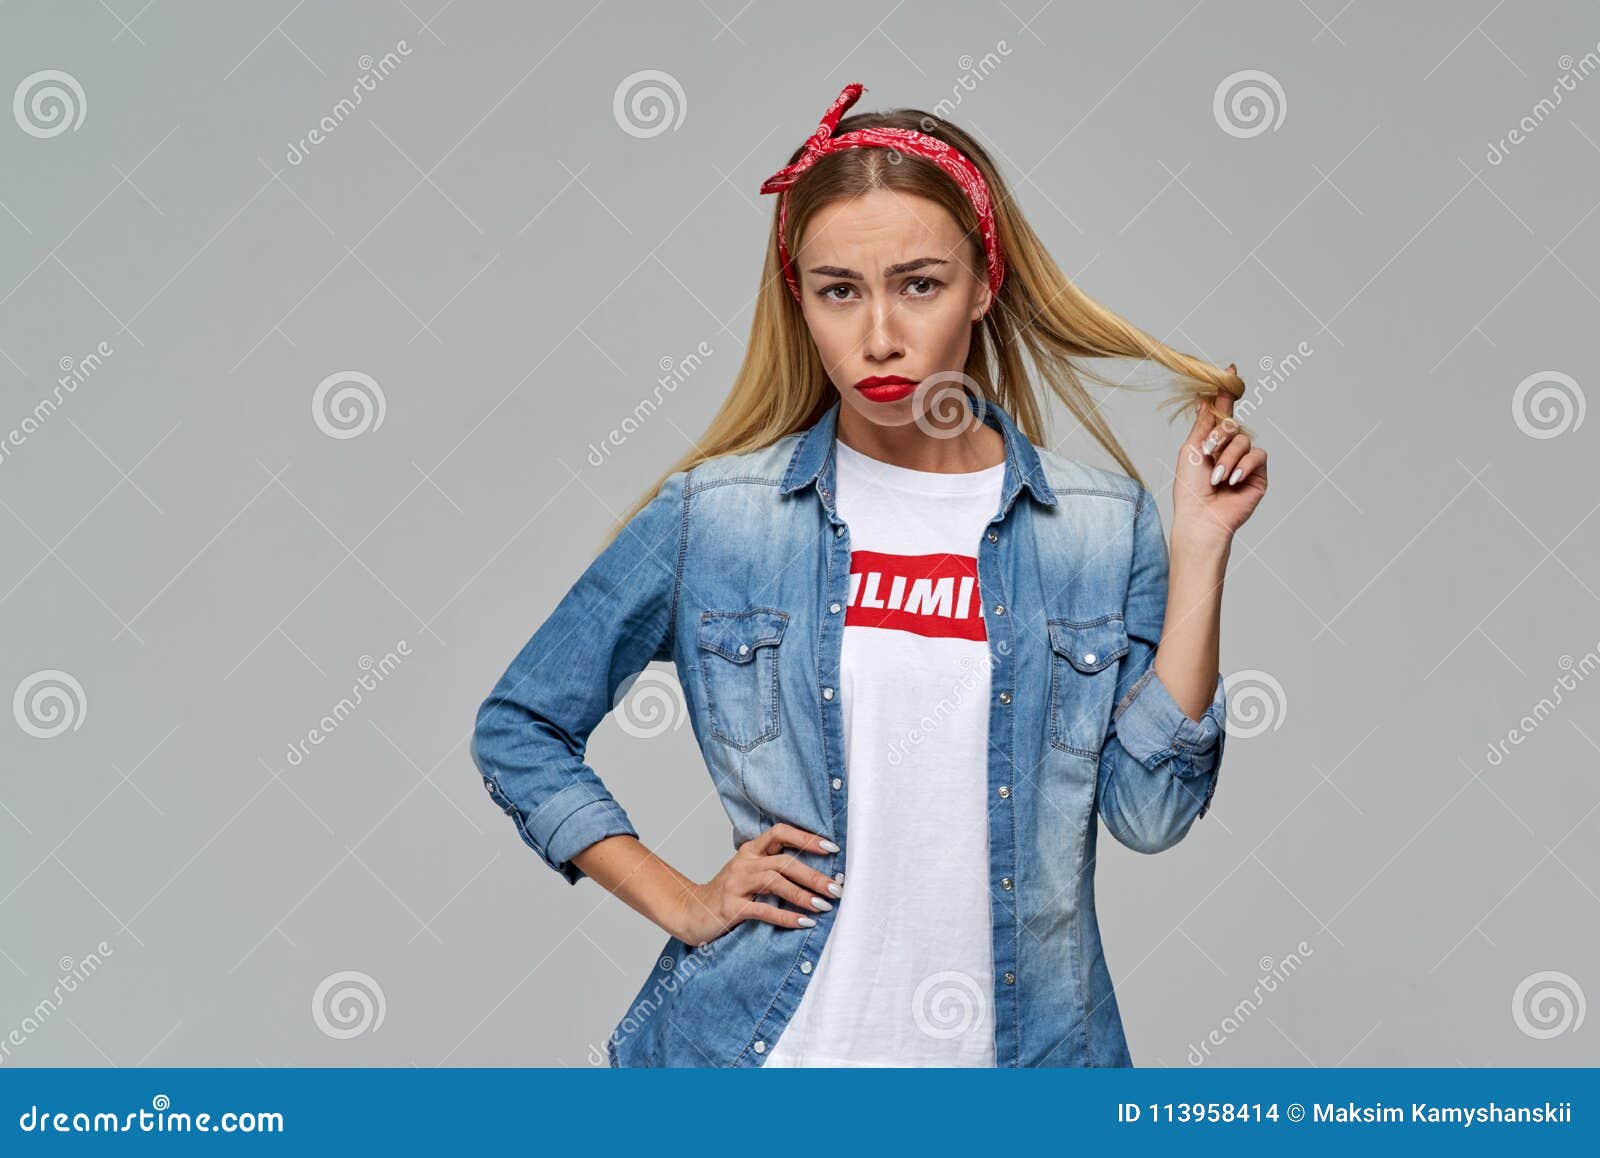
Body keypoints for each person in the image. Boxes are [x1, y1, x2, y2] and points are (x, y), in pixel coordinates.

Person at [471, 82, 1268, 1068]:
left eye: (919, 284)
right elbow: (520, 725)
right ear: (797, 297)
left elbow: (1151, 814)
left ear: (985, 285)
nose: (879, 333)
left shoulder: (1098, 528)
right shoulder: (719, 518)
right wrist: (680, 898)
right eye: (839, 289)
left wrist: (1200, 548)